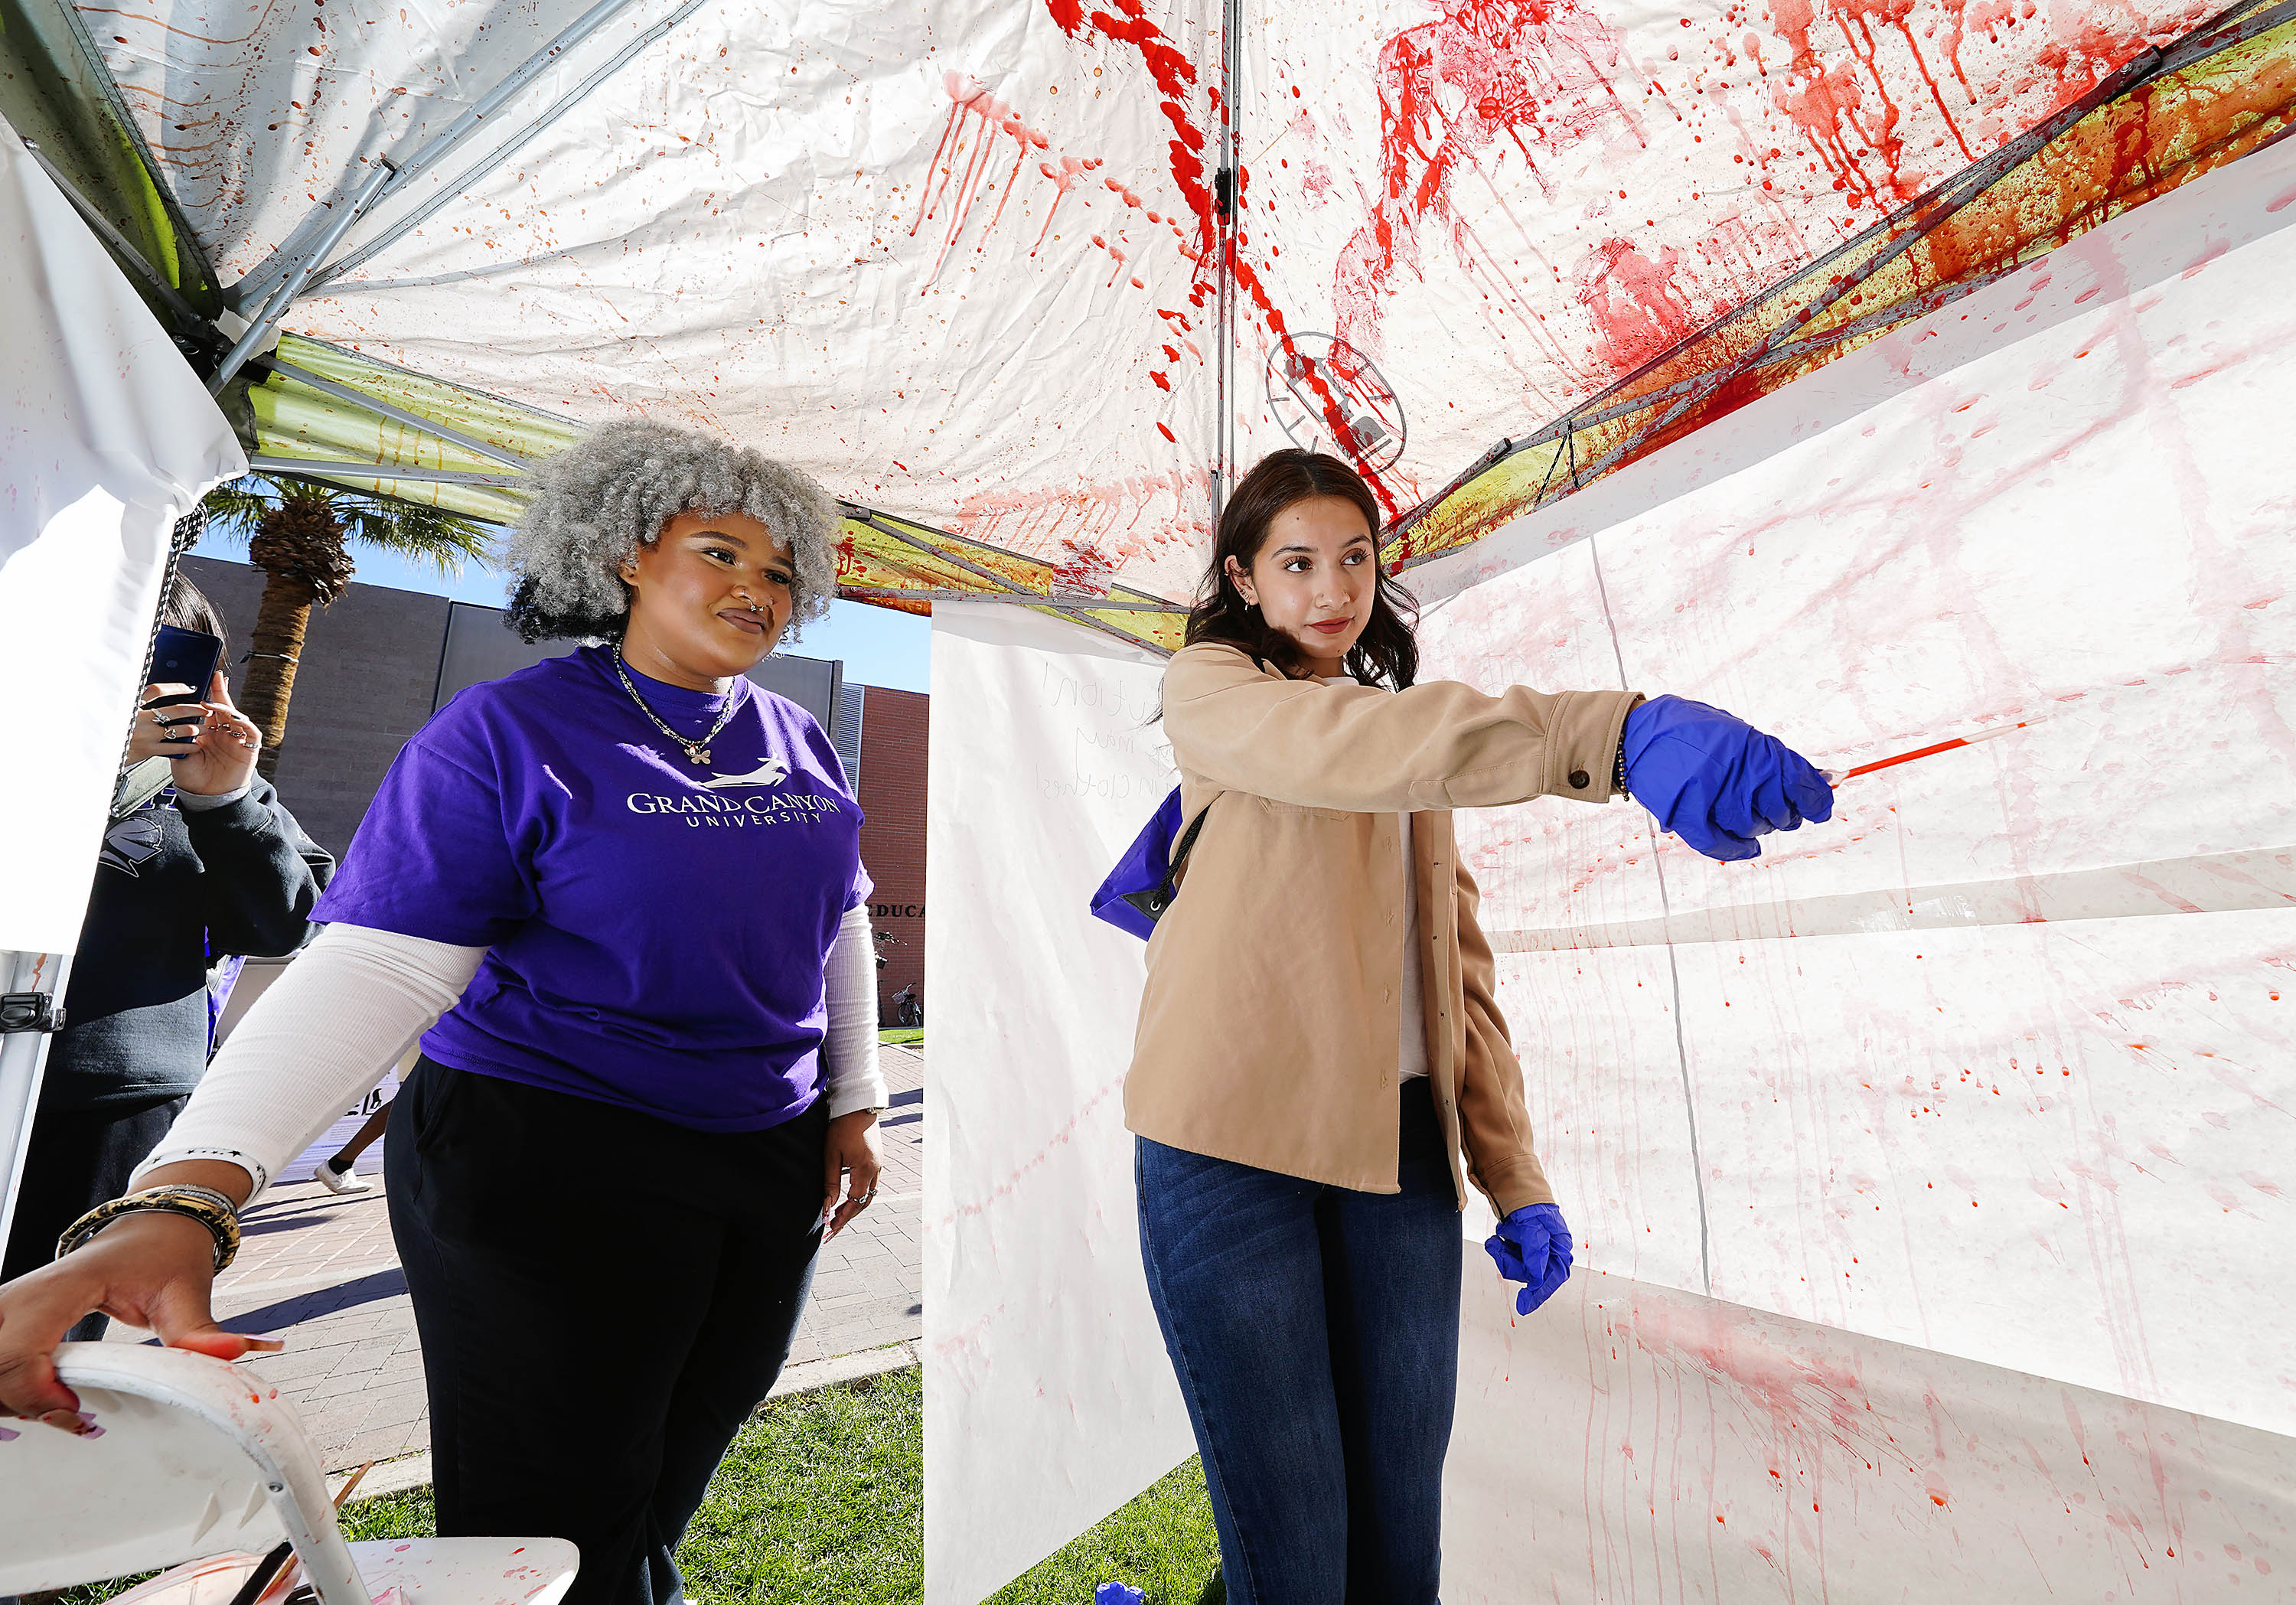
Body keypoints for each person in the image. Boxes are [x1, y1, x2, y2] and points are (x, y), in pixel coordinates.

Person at [0, 422, 889, 1605]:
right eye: (720, 552)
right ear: (625, 552)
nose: (757, 589)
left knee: (665, 1477)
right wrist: (192, 1191)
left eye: (782, 574)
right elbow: (377, 968)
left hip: (762, 1167)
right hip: (549, 1159)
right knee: (554, 1513)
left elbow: (842, 919)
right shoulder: (507, 733)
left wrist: (855, 1100)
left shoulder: (797, 735)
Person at [1126, 449, 1832, 1605]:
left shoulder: (1400, 730)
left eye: (1354, 558)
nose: (1331, 587)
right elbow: (1342, 752)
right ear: (1244, 580)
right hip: (1229, 1151)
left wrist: (1516, 1173)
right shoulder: (1211, 691)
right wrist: (1612, 733)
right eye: (1297, 562)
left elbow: (1458, 974)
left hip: (1399, 1153)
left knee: (1400, 1547)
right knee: (1294, 1553)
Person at [0, 576, 332, 1337]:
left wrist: (225, 802)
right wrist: (98, 760)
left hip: (115, 1097)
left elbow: (287, 928)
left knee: (44, 1332)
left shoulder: (212, 786)